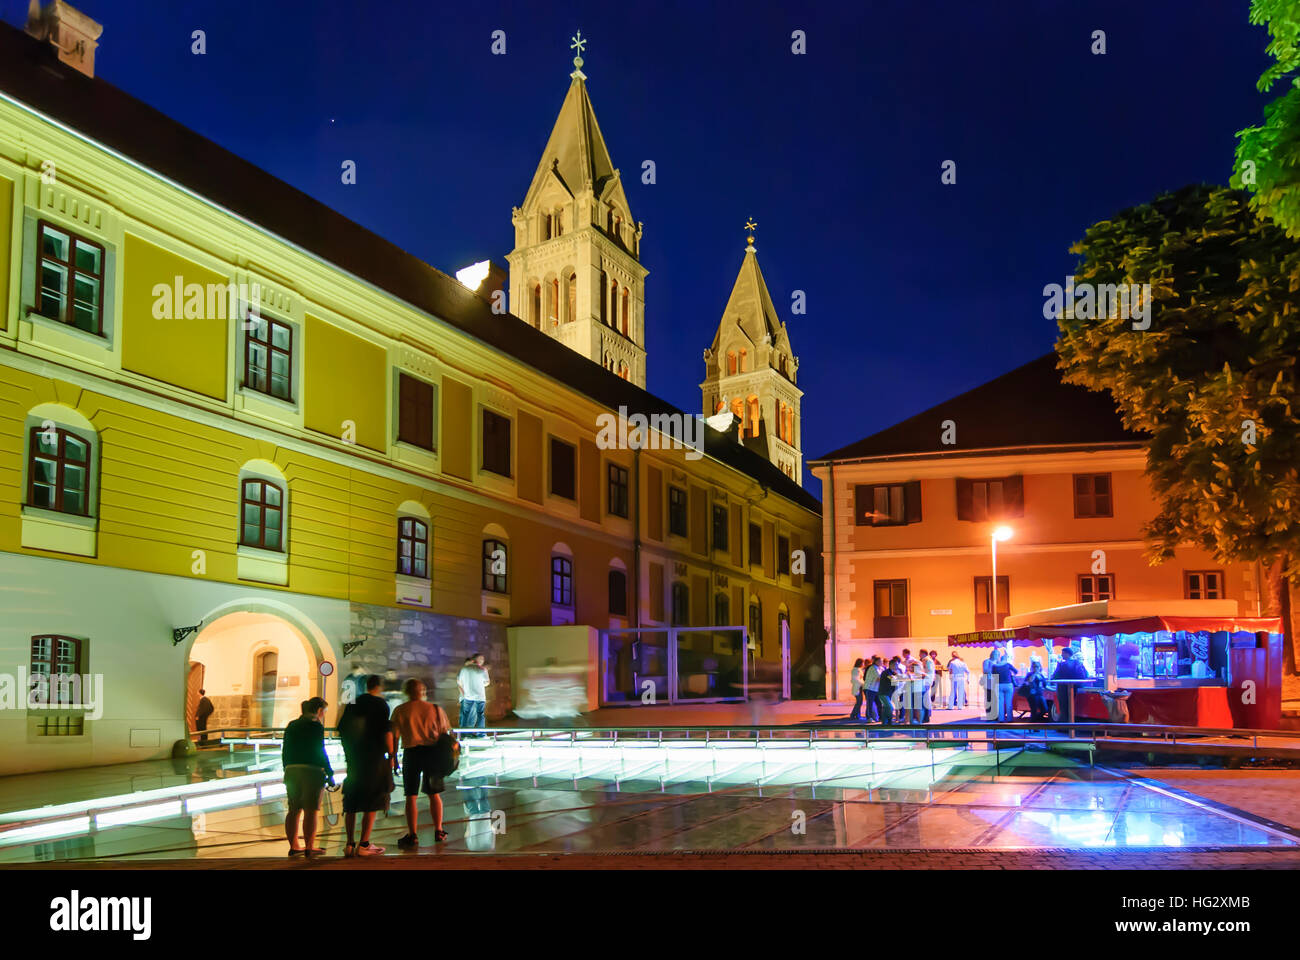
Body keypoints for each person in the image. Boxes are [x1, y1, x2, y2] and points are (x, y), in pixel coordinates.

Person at [390, 678, 453, 848]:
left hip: (411, 753)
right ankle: (439, 830)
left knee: (410, 796)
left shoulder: (400, 710)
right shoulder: (435, 709)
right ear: (423, 691)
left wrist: (394, 758)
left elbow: (394, 736)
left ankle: (413, 835)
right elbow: (445, 733)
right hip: (432, 754)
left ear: (406, 692)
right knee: (434, 794)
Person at [337, 674, 394, 856]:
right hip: (375, 759)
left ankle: (349, 844)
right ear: (379, 686)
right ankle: (364, 844)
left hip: (354, 759)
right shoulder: (381, 705)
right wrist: (391, 756)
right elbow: (386, 732)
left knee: (352, 802)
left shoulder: (352, 704)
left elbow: (343, 729)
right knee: (373, 800)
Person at [282, 697, 334, 857]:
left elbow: (285, 750)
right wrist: (329, 772)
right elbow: (320, 750)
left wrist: (287, 768)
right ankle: (309, 847)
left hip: (292, 770)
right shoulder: (315, 726)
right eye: (324, 712)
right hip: (311, 771)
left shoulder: (291, 725)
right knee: (311, 810)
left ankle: (294, 846)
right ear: (319, 710)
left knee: (294, 809)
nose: (323, 716)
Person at [1051, 646, 1090, 722]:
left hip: (1062, 688)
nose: (1061, 655)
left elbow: (1055, 676)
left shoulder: (1062, 664)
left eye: (1063, 653)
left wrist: (1053, 679)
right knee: (1071, 705)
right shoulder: (1078, 663)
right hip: (1075, 687)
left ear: (1067, 654)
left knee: (1063, 706)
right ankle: (1071, 723)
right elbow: (1086, 675)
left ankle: (1064, 725)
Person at [457, 654, 490, 731]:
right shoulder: (482, 669)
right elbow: (487, 682)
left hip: (468, 696)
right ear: (476, 660)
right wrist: (480, 684)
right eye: (481, 659)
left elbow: (460, 682)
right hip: (480, 696)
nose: (483, 661)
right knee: (480, 715)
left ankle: (463, 733)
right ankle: (480, 734)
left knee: (465, 715)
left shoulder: (464, 669)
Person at [991, 649, 1019, 722]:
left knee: (1000, 703)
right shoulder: (1008, 665)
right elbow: (1016, 671)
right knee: (1009, 702)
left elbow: (993, 676)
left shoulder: (995, 666)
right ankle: (1009, 719)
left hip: (999, 685)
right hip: (1008, 685)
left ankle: (1001, 719)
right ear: (1006, 659)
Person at [876, 658, 899, 726]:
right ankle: (889, 721)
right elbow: (893, 679)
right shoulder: (886, 672)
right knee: (890, 707)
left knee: (886, 707)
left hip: (887, 694)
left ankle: (885, 722)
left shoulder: (892, 672)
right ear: (892, 665)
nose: (897, 666)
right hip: (883, 693)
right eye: (896, 665)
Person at [862, 656, 882, 722]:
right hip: (869, 688)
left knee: (879, 703)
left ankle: (880, 717)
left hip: (876, 689)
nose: (881, 662)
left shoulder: (879, 668)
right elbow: (879, 678)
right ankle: (869, 717)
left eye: (881, 661)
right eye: (879, 661)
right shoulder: (873, 668)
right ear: (875, 662)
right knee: (870, 704)